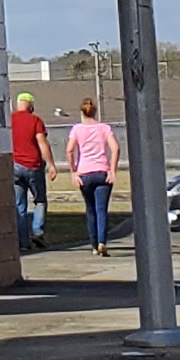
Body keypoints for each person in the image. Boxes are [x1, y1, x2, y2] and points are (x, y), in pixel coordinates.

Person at [65, 97, 121, 253]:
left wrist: (74, 171)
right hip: (103, 172)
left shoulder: (76, 129)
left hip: (85, 173)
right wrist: (113, 170)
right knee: (101, 209)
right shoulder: (104, 128)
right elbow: (115, 148)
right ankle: (102, 241)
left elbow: (69, 150)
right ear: (95, 111)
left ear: (81, 113)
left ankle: (94, 245)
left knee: (90, 209)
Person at [10, 91, 50, 249]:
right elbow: (42, 142)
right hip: (33, 165)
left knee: (20, 206)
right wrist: (51, 164)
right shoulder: (35, 121)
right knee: (40, 200)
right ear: (30, 105)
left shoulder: (10, 120)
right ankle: (37, 231)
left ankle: (23, 243)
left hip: (14, 166)